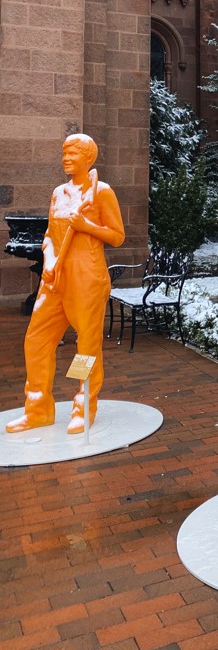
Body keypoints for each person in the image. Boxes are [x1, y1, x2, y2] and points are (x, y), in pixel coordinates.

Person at [6, 135, 125, 435]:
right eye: (64, 153)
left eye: (72, 153)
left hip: (87, 277)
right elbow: (49, 236)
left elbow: (117, 235)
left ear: (88, 158)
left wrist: (87, 226)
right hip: (55, 278)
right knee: (36, 340)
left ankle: (83, 408)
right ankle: (38, 410)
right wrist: (47, 261)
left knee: (86, 346)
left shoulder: (102, 193)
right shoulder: (59, 193)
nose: (66, 158)